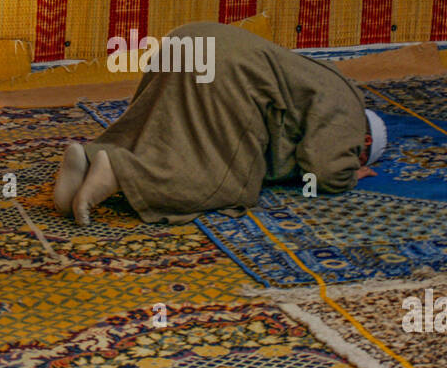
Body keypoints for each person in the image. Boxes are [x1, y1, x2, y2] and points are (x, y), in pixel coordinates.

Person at [53, 21, 388, 225]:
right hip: (227, 69)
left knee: (158, 131)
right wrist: (348, 175)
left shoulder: (323, 77)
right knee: (221, 181)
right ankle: (117, 171)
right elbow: (325, 169)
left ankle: (88, 158)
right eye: (356, 153)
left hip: (189, 39)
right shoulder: (351, 107)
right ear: (366, 141)